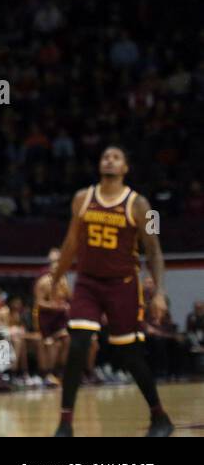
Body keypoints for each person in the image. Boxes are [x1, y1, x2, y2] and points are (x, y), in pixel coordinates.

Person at [50, 147, 173, 437]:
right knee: (78, 343)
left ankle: (160, 417)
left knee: (130, 354)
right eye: (105, 156)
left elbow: (153, 251)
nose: (109, 159)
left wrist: (158, 292)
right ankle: (65, 423)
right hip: (88, 283)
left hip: (123, 285)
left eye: (116, 157)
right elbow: (70, 244)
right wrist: (56, 278)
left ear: (126, 168)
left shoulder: (139, 203)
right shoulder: (82, 198)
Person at [33, 247, 70, 386]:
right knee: (50, 344)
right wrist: (54, 306)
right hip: (45, 319)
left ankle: (61, 371)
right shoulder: (42, 282)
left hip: (60, 319)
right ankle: (48, 373)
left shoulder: (64, 281)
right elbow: (39, 303)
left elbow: (68, 298)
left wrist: (66, 305)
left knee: (67, 339)